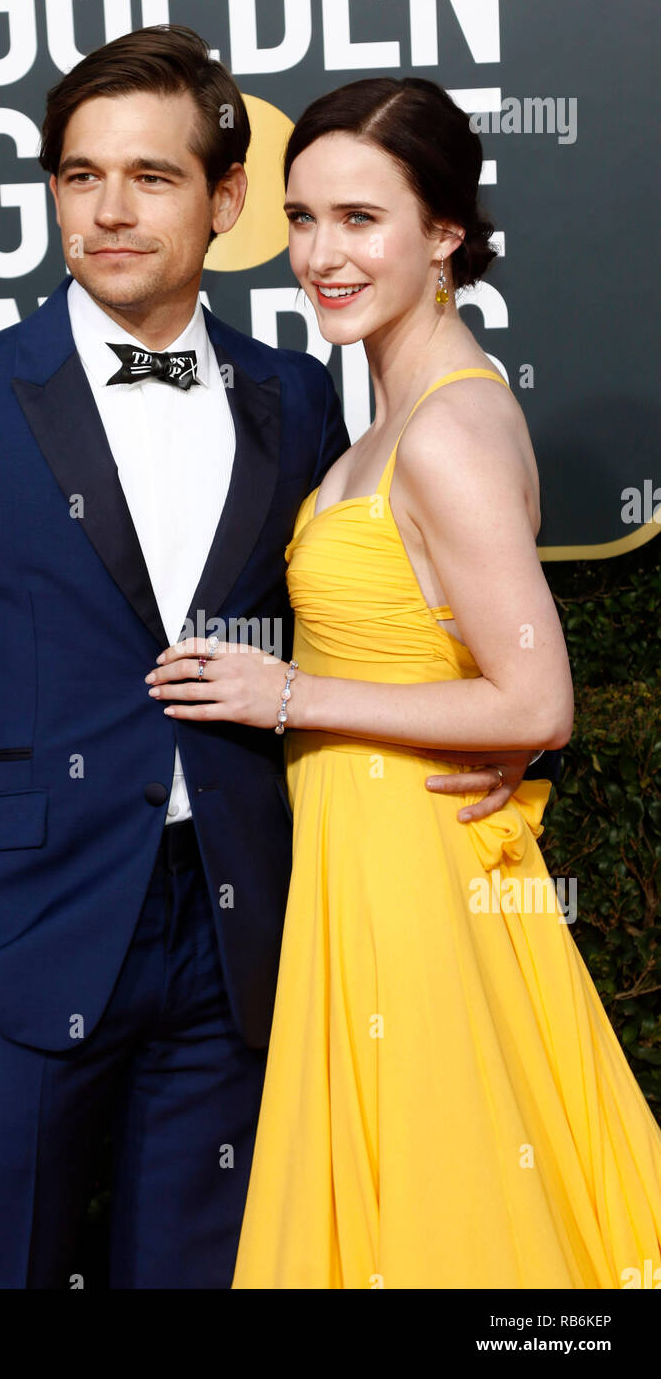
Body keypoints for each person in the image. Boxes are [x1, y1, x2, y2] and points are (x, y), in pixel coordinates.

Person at [0, 31, 554, 1290]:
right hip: (23, 944)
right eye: (79, 176)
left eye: (151, 178)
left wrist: (493, 732)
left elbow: (381, 618)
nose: (109, 212)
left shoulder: (298, 396)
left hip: (249, 937)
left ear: (225, 203)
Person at [149, 76, 661, 1289]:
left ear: (442, 234)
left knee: (445, 1212)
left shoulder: (445, 432)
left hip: (412, 879)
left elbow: (535, 704)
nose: (319, 255)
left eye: (360, 219)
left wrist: (285, 696)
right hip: (364, 862)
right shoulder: (392, 413)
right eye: (302, 218)